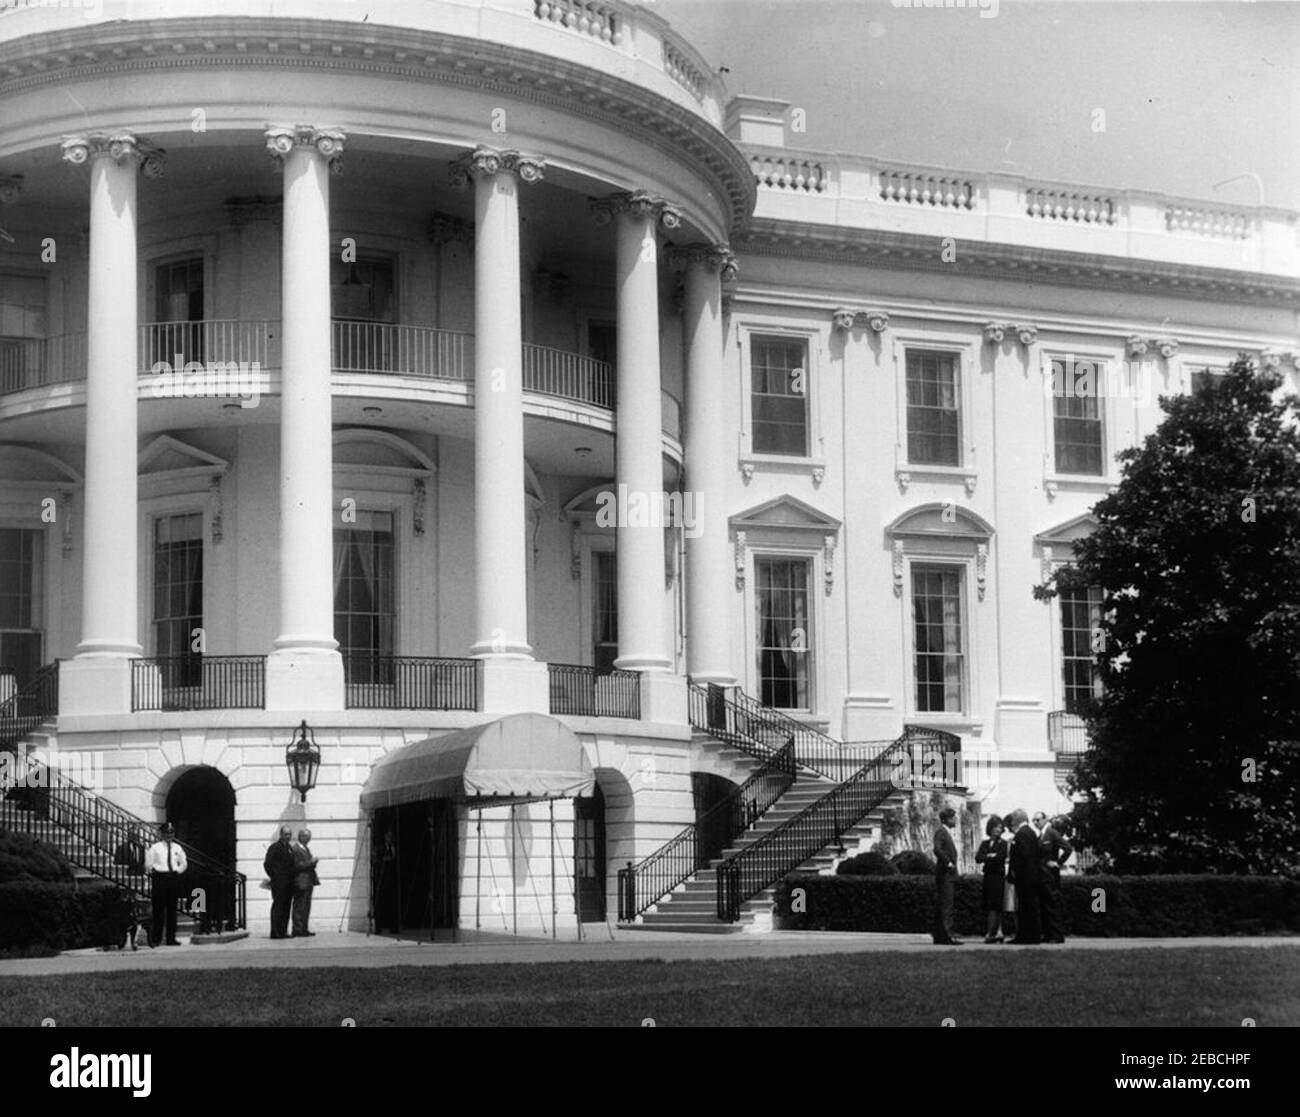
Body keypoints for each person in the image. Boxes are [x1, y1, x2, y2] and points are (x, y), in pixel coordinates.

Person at [144, 822, 187, 947]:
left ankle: (171, 938)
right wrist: (155, 873)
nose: (169, 835)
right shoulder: (155, 847)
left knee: (172, 910)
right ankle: (156, 938)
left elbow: (183, 862)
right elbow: (148, 864)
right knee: (158, 910)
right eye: (167, 833)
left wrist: (177, 872)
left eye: (171, 833)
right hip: (160, 879)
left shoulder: (177, 848)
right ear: (162, 834)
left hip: (172, 878)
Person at [1034, 811, 1074, 944]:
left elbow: (1068, 848)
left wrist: (1058, 863)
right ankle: (1047, 934)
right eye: (1034, 820)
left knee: (1052, 905)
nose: (1035, 822)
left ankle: (1057, 935)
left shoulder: (1052, 833)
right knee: (1044, 906)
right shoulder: (1040, 835)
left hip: (1050, 876)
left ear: (1045, 820)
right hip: (1042, 876)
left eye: (1038, 820)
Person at [1005, 808, 1042, 944]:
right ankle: (1029, 935)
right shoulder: (1030, 832)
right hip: (1030, 876)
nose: (1012, 819)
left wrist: (1016, 872)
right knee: (1028, 906)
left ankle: (1027, 936)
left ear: (1019, 818)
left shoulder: (1022, 833)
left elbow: (1023, 856)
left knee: (1026, 907)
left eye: (1014, 817)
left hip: (1025, 877)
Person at [974, 815, 1008, 943]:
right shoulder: (985, 843)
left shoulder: (1003, 844)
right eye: (996, 827)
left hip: (998, 877)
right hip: (988, 877)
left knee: (997, 905)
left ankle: (994, 932)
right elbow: (978, 858)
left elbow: (1001, 857)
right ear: (991, 829)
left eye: (1000, 827)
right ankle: (994, 931)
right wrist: (990, 856)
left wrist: (988, 857)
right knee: (989, 905)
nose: (998, 830)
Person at [931, 806, 962, 945]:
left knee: (944, 905)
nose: (954, 819)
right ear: (945, 819)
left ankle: (940, 935)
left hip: (947, 874)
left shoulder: (946, 832)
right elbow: (937, 849)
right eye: (952, 817)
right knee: (946, 906)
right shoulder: (941, 832)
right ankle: (946, 935)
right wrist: (948, 862)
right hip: (945, 874)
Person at [263, 825, 297, 939]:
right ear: (281, 834)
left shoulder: (289, 847)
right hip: (279, 883)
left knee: (286, 907)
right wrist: (275, 876)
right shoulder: (275, 847)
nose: (288, 837)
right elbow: (267, 864)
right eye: (286, 834)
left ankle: (283, 931)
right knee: (278, 907)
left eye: (289, 835)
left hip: (289, 884)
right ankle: (275, 932)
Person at [290, 828, 320, 938]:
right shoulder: (296, 849)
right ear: (301, 836)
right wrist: (310, 862)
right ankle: (297, 929)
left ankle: (304, 928)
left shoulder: (305, 848)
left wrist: (313, 863)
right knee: (299, 906)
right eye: (307, 837)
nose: (309, 839)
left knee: (306, 906)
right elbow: (297, 866)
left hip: (308, 881)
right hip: (301, 881)